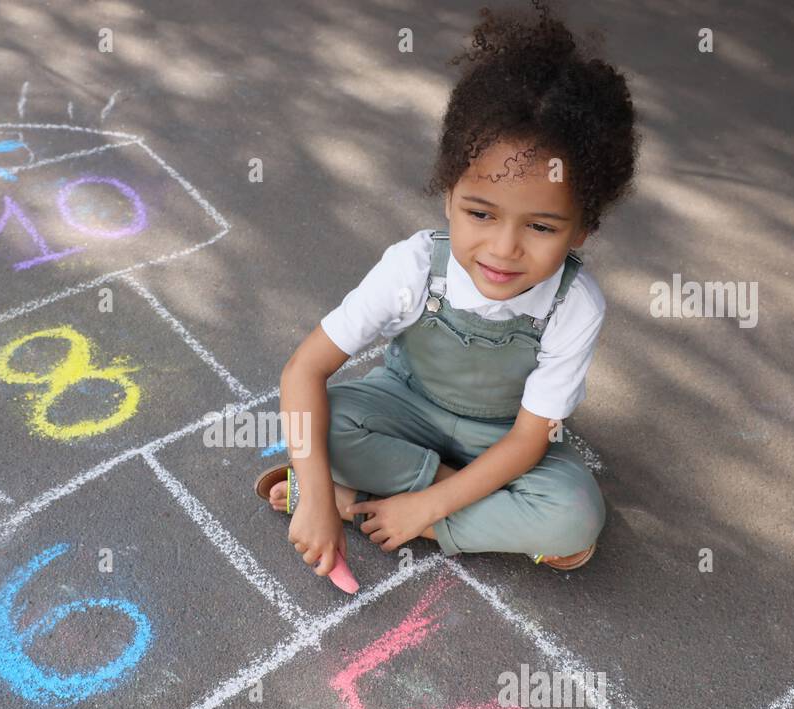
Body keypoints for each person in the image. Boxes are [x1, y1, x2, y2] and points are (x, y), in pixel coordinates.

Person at [255, 0, 639, 579]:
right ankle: (382, 498)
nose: (504, 248)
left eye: (540, 226)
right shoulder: (414, 265)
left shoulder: (575, 303)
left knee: (576, 514)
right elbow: (302, 372)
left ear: (583, 228)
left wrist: (426, 509)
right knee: (323, 423)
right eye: (481, 213)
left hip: (501, 440)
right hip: (403, 408)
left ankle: (371, 506)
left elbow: (529, 442)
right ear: (448, 196)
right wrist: (310, 493)